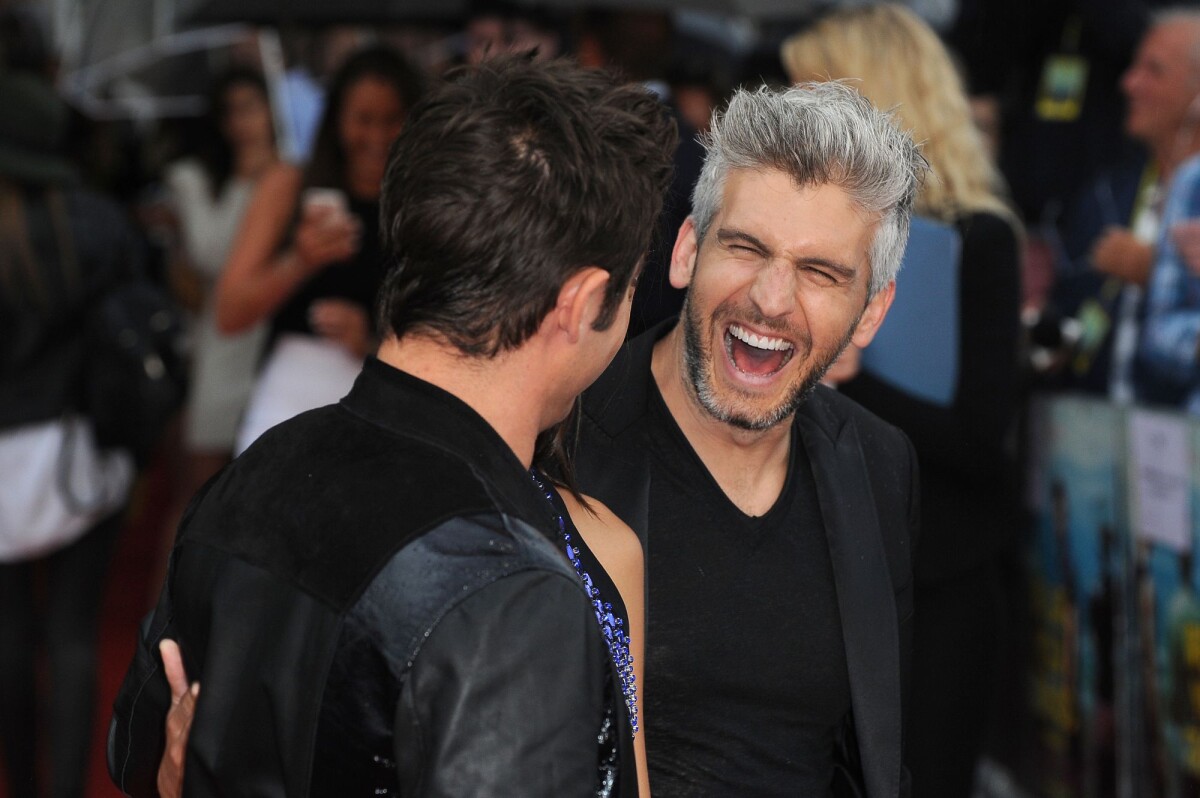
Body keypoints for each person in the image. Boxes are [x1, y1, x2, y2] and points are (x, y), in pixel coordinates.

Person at [108, 55, 675, 796]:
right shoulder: (508, 590)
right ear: (580, 302)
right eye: (632, 288)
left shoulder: (257, 473)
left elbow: (140, 756)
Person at [574, 79, 926, 796]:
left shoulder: (879, 466)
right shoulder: (563, 437)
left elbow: (869, 756)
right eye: (745, 247)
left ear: (870, 313)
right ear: (685, 251)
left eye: (820, 273)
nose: (770, 299)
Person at [781, 5, 1025, 795]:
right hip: (821, 569)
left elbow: (982, 445)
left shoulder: (977, 241)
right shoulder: (798, 233)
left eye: (807, 94)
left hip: (938, 585)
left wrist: (857, 373)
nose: (792, 119)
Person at [0, 71, 140, 797]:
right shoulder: (96, 220)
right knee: (74, 635)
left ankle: (22, 784)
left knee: (11, 637)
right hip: (80, 455)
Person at [215, 44, 423, 454]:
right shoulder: (290, 184)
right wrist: (300, 262)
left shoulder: (425, 203)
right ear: (337, 119)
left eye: (391, 120)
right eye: (363, 120)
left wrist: (368, 341)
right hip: (290, 398)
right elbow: (229, 312)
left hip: (385, 403)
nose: (377, 137)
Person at [1047, 9, 1200, 399]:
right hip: (1091, 432)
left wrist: (1158, 272)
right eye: (1134, 66)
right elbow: (1068, 306)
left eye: (1154, 70)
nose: (1129, 83)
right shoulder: (1106, 194)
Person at [165, 66, 277, 501]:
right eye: (230, 112)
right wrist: (248, 183)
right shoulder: (193, 179)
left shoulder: (295, 172)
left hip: (268, 342)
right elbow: (211, 253)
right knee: (204, 492)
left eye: (251, 108)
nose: (241, 122)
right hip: (219, 339)